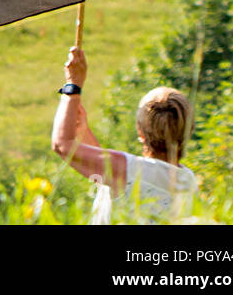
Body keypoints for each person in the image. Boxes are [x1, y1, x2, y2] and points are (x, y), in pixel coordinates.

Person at [51, 46, 198, 223]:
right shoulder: (188, 181)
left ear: (140, 133)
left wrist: (72, 87)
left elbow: (61, 145)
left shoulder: (128, 170)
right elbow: (108, 180)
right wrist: (83, 133)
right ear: (188, 132)